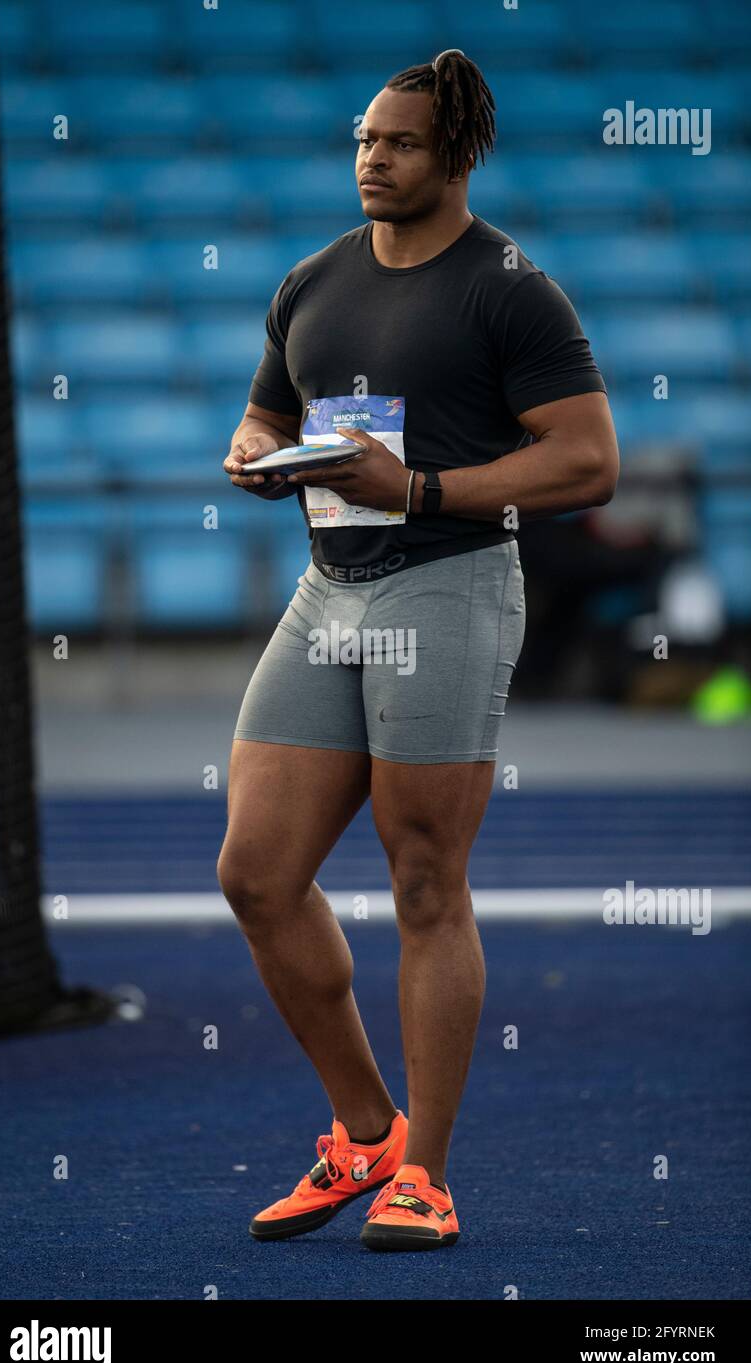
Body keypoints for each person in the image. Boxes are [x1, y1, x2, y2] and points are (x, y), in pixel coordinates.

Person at [218, 50, 619, 1251]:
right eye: (360, 141)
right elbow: (268, 410)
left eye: (395, 143)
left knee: (423, 881)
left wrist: (421, 485)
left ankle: (426, 1176)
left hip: (448, 586)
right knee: (255, 872)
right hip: (326, 591)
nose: (369, 160)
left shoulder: (510, 288)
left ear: (454, 153)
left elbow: (587, 460)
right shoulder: (312, 280)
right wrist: (249, 452)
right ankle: (363, 1132)